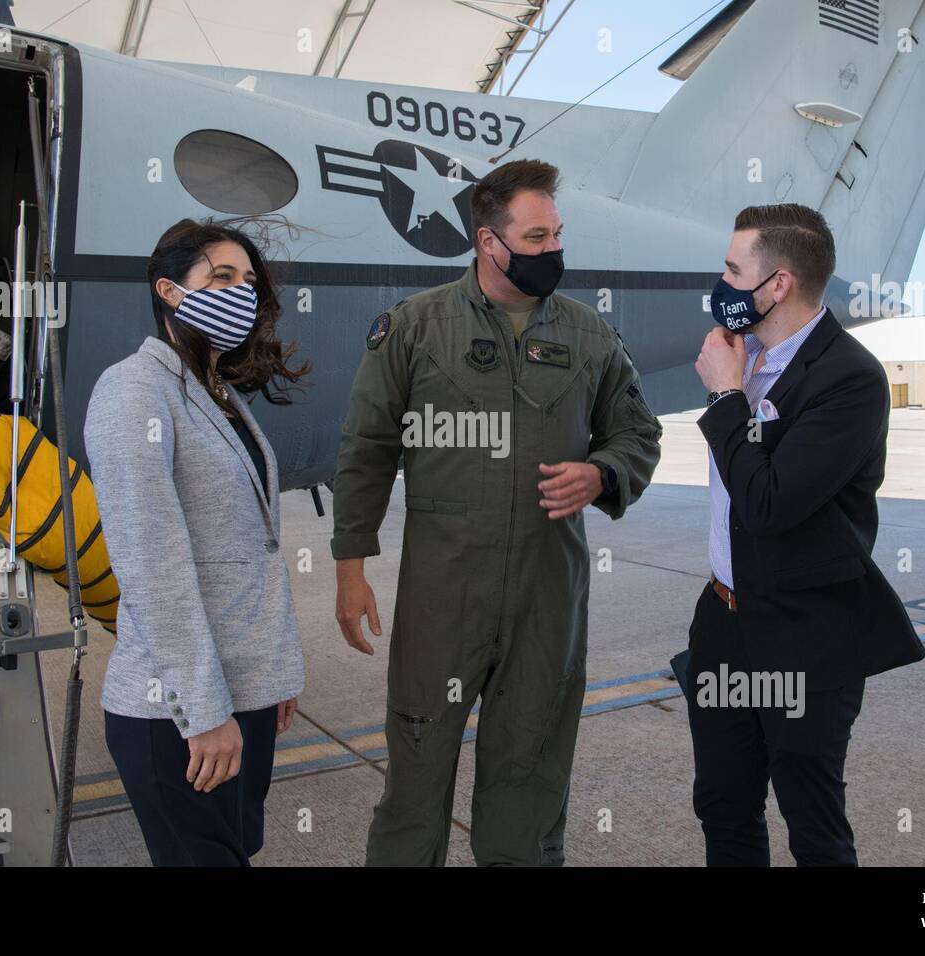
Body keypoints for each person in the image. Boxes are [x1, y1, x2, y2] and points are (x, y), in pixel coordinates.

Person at [331, 159, 663, 866]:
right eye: (536, 236)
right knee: (415, 783)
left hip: (548, 596)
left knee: (531, 777)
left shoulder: (588, 334)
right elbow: (367, 448)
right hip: (442, 596)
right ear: (489, 242)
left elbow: (638, 433)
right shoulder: (415, 328)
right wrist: (350, 569)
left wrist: (602, 474)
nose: (554, 251)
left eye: (558, 235)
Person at [683, 203, 925, 866]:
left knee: (813, 825)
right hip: (726, 623)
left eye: (734, 269)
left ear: (779, 284)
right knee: (724, 810)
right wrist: (732, 387)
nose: (723, 283)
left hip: (805, 637)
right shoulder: (742, 357)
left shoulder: (849, 379)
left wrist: (727, 399)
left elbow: (768, 504)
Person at [84, 217, 310, 866]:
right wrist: (205, 713)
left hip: (243, 691)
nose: (240, 291)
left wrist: (273, 671)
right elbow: (153, 565)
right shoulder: (134, 389)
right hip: (177, 710)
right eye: (220, 277)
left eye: (248, 280)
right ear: (169, 290)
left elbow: (250, 550)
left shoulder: (218, 394)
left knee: (235, 851)